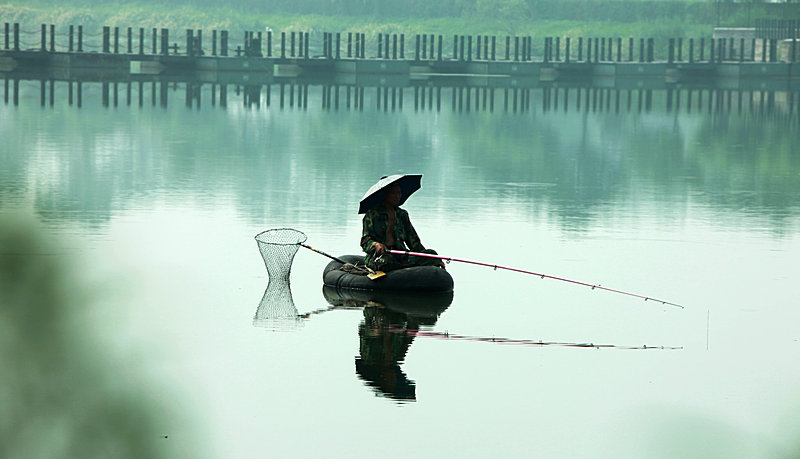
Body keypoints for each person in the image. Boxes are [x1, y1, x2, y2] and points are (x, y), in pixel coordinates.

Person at [360, 183, 445, 272]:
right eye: (394, 193)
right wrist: (375, 245)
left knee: (432, 254)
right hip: (380, 257)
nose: (398, 196)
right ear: (385, 194)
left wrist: (431, 258)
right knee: (386, 261)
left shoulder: (402, 214)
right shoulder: (372, 215)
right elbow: (365, 241)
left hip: (400, 255)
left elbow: (414, 241)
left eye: (399, 193)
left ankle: (406, 270)